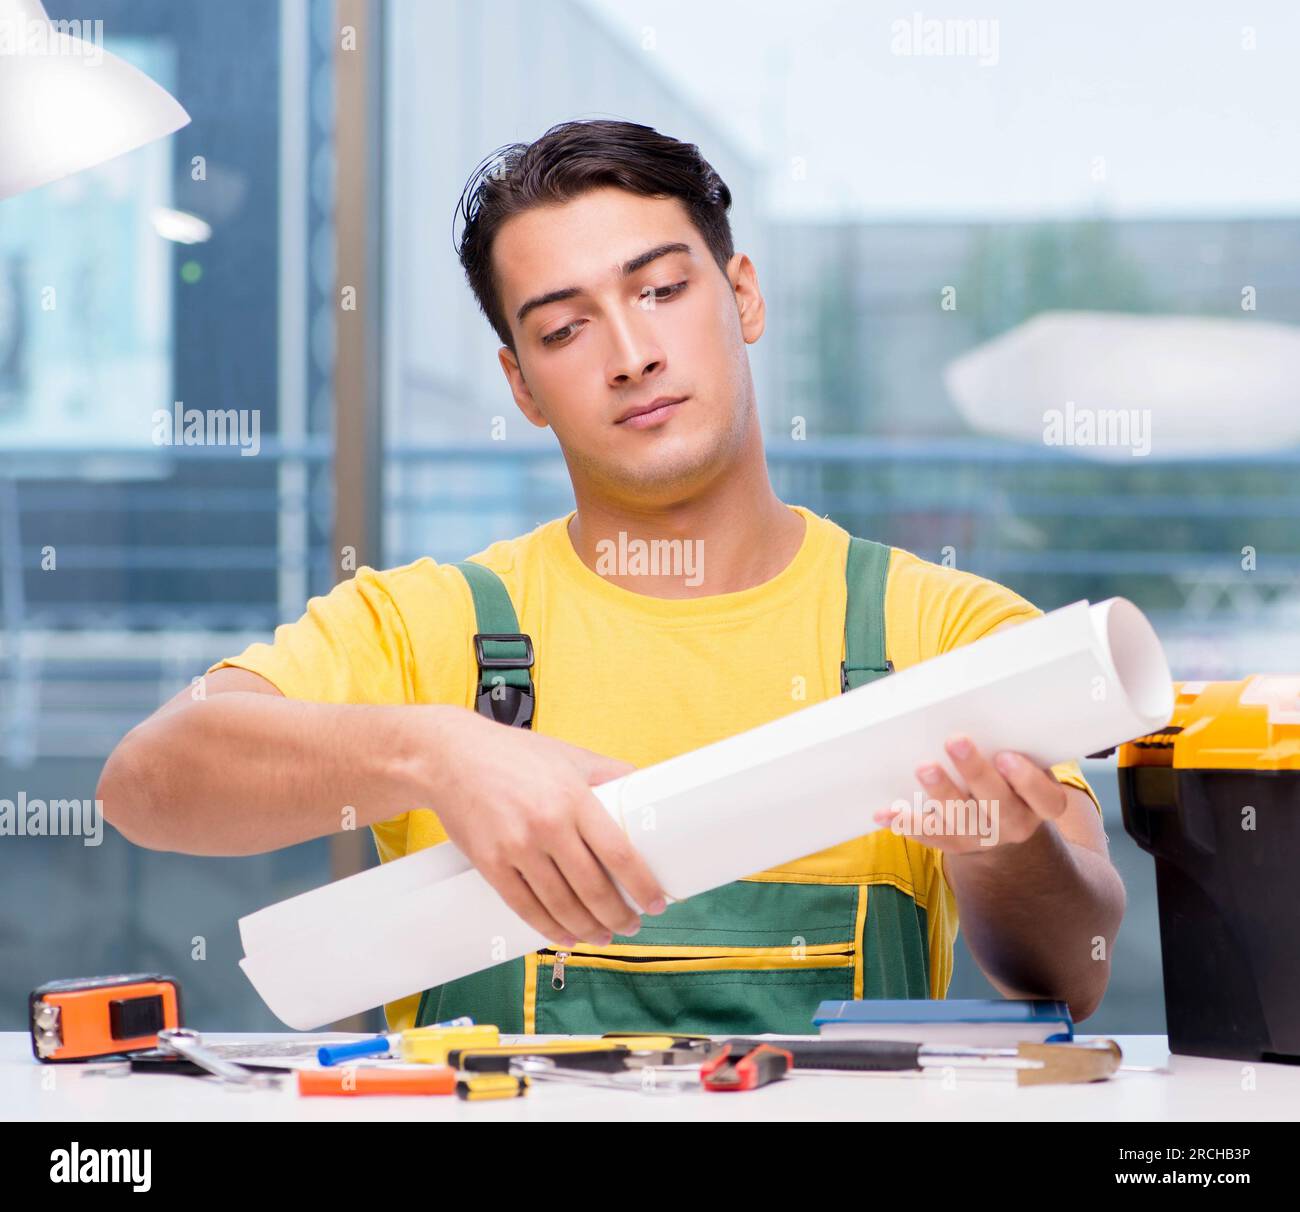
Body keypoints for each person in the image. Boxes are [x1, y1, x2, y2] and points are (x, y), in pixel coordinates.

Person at [100, 119, 1122, 1035]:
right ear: (522, 386)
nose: (630, 354)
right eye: (563, 328)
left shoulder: (941, 629)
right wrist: (433, 753)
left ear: (743, 294)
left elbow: (1075, 973)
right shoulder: (433, 626)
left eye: (663, 290)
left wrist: (1000, 844)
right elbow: (146, 785)